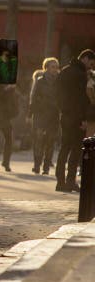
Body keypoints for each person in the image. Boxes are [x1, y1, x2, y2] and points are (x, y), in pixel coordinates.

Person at [56, 49, 95, 192]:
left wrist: (62, 110)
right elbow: (82, 99)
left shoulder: (64, 71)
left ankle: (60, 182)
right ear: (84, 58)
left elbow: (57, 94)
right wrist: (83, 119)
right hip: (77, 117)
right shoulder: (81, 75)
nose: (91, 67)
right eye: (90, 63)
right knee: (76, 149)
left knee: (64, 148)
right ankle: (70, 181)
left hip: (65, 116)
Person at [29, 57, 60, 174]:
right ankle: (37, 165)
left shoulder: (60, 81)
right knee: (39, 140)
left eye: (56, 67)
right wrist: (30, 113)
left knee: (50, 141)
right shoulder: (40, 81)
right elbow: (33, 97)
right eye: (53, 67)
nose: (55, 69)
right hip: (40, 115)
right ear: (46, 67)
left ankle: (46, 167)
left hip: (54, 115)